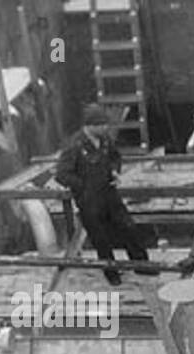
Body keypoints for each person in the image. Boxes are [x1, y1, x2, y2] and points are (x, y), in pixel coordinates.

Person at [54, 104, 151, 286]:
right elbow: (61, 174)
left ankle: (142, 264)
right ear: (90, 125)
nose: (106, 128)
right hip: (89, 201)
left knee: (128, 227)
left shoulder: (105, 140)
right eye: (101, 125)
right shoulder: (74, 146)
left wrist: (114, 171)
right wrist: (83, 186)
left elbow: (115, 157)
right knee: (101, 239)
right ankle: (111, 272)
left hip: (109, 194)